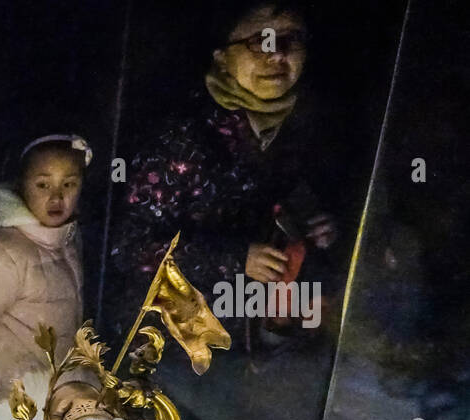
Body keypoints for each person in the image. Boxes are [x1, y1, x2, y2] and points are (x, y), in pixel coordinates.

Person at [107, 2, 339, 353]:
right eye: (260, 41)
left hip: (248, 344)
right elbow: (127, 246)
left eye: (291, 38)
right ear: (221, 57)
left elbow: (284, 204)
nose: (277, 54)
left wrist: (312, 229)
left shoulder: (306, 127)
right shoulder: (182, 136)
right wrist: (234, 259)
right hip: (166, 349)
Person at [0, 135, 92, 398]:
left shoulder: (64, 242)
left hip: (47, 395)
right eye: (43, 184)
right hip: (6, 401)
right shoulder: (2, 254)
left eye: (68, 184)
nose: (57, 196)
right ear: (22, 185)